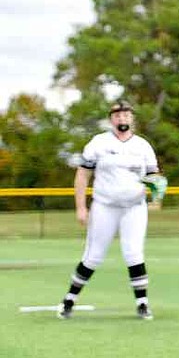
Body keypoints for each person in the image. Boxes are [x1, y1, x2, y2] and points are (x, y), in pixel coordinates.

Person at [58, 101, 165, 320]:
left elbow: (154, 177)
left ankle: (142, 303)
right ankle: (69, 299)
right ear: (111, 119)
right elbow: (82, 174)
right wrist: (81, 207)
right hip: (104, 206)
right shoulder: (99, 143)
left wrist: (156, 191)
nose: (122, 118)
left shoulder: (143, 146)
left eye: (126, 114)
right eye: (117, 115)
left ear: (132, 118)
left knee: (134, 253)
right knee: (93, 256)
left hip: (134, 207)